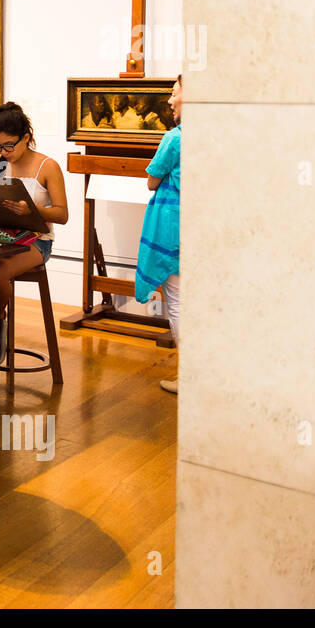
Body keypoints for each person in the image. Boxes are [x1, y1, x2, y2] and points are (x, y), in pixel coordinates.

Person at [0, 102, 69, 365]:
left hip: (37, 240)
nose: (4, 152)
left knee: (0, 271)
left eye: (10, 145)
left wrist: (31, 210)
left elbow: (62, 214)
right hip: (1, 236)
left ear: (26, 138)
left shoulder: (47, 166)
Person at [136, 76, 182, 395]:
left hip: (175, 225)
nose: (169, 100)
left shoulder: (175, 138)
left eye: (174, 93)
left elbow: (152, 180)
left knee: (179, 302)